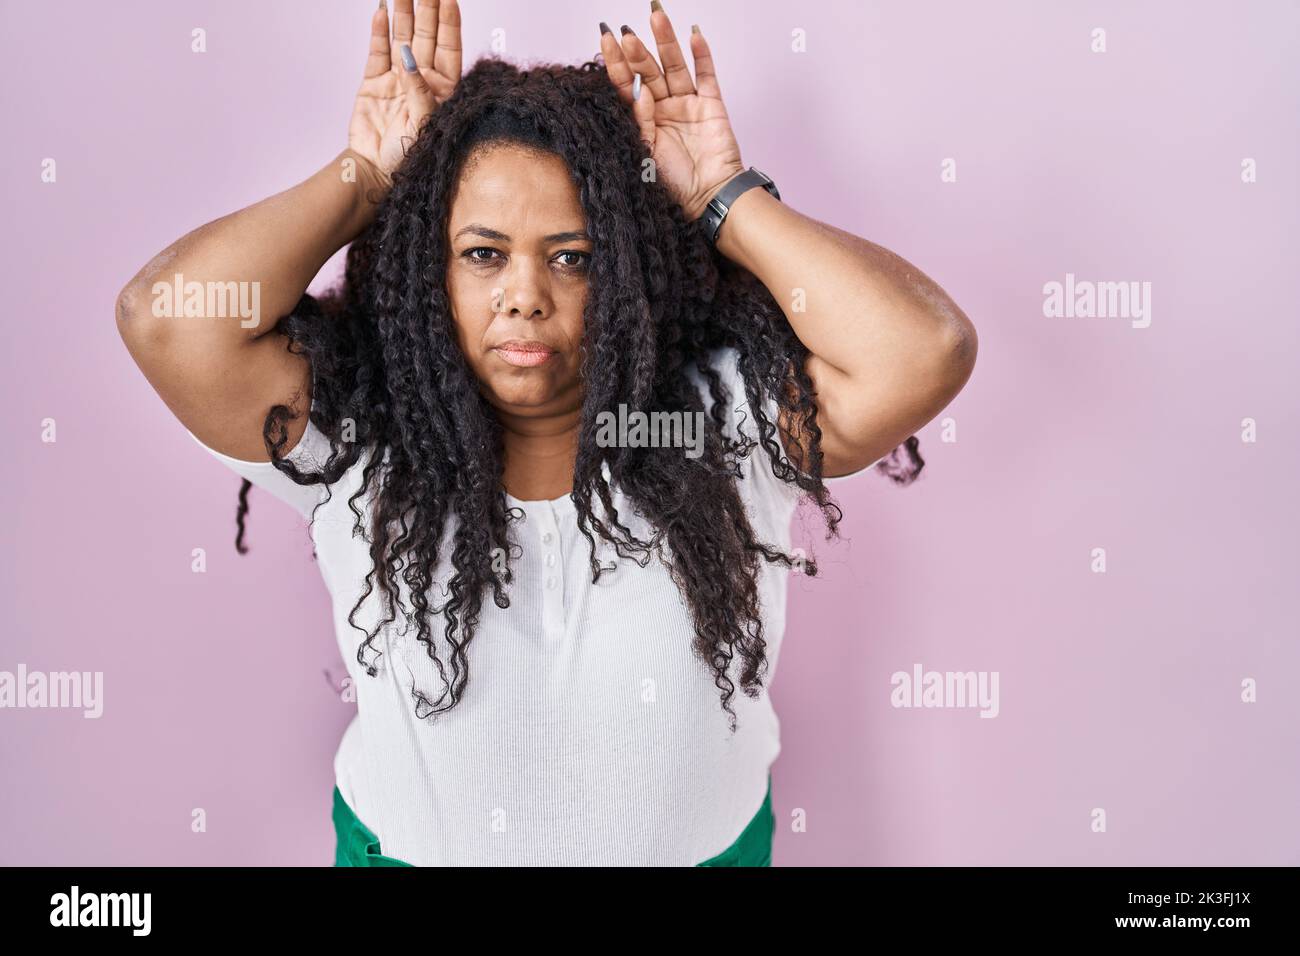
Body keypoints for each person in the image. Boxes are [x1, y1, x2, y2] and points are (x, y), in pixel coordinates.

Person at [116, 0, 977, 866]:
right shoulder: (361, 433)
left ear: (630, 267)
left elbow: (924, 349)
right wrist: (368, 179)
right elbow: (166, 320)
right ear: (429, 264)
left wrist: (723, 199)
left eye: (573, 257)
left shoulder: (717, 423)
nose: (524, 294)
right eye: (484, 254)